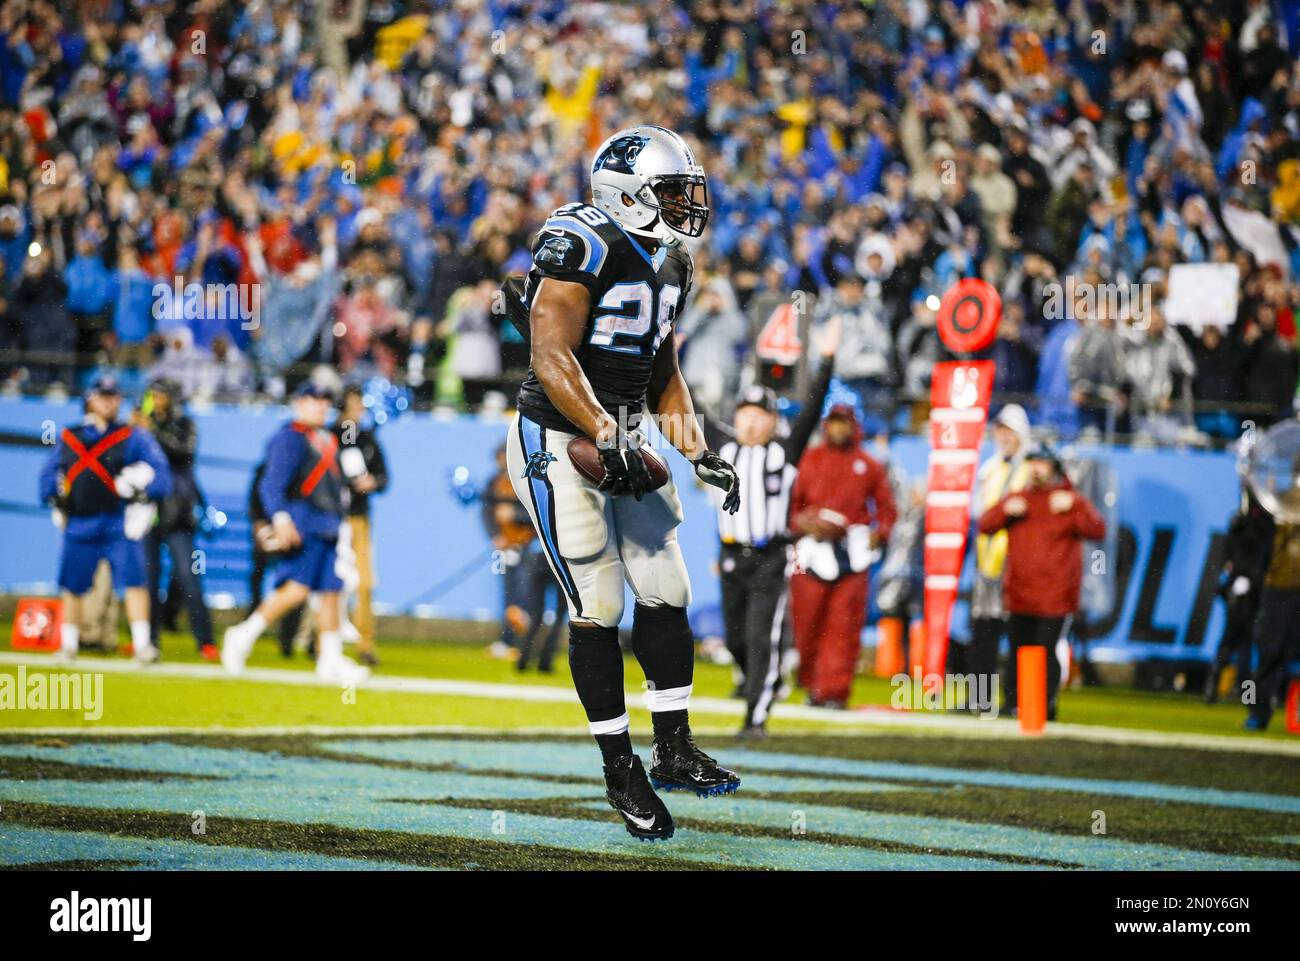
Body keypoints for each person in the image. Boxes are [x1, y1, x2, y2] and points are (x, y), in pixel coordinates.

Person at [503, 125, 742, 841]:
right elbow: (550, 353)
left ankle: (672, 747)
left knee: (669, 590)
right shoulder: (585, 240)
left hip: (623, 430)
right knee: (600, 600)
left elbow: (660, 367)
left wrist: (697, 447)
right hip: (558, 437)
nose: (686, 205)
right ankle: (619, 766)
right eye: (673, 192)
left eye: (687, 191)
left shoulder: (671, 262)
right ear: (627, 193)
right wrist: (606, 432)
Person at [704, 319, 838, 738]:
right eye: (745, 413)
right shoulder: (721, 447)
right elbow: (686, 407)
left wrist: (827, 359)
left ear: (771, 421)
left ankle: (755, 717)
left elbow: (814, 407)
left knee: (762, 637)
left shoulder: (784, 451)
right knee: (735, 640)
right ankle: (761, 684)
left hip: (768, 556)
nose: (751, 422)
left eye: (759, 415)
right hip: (729, 554)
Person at [220, 382, 369, 684]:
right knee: (296, 590)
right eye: (315, 400)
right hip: (305, 523)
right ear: (300, 402)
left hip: (328, 524)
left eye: (325, 401)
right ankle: (242, 636)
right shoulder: (288, 438)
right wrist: (281, 518)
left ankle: (330, 659)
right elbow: (271, 484)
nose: (321, 406)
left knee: (331, 593)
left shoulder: (325, 437)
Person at [38, 376, 172, 663]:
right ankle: (69, 644)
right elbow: (48, 476)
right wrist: (54, 499)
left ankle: (142, 645)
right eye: (102, 396)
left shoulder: (133, 436)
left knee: (136, 580)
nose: (109, 401)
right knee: (73, 584)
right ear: (90, 399)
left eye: (113, 396)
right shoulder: (70, 436)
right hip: (80, 520)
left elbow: (161, 474)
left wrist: (142, 493)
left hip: (119, 521)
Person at [977, 444, 1106, 719]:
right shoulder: (1018, 500)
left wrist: (1076, 505)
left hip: (1055, 596)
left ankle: (1044, 705)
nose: (1036, 469)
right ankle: (1013, 704)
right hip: (1020, 592)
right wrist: (1005, 511)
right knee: (1017, 653)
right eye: (1032, 463)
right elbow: (985, 524)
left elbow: (1097, 529)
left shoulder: (1068, 500)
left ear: (1054, 468)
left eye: (1041, 464)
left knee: (1046, 652)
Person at [788, 403, 896, 709]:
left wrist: (879, 533)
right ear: (826, 426)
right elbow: (790, 508)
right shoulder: (808, 460)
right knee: (807, 623)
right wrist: (805, 523)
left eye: (844, 423)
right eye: (834, 423)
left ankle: (833, 691)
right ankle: (811, 682)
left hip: (852, 554)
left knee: (843, 627)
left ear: (854, 426)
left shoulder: (868, 464)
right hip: (811, 552)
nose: (839, 429)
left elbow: (887, 509)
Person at [139, 378, 216, 660]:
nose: (157, 401)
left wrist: (151, 431)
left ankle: (205, 640)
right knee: (148, 578)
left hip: (178, 513)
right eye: (153, 395)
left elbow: (181, 451)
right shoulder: (143, 427)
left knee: (188, 576)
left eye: (161, 396)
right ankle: (148, 641)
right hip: (148, 511)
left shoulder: (185, 425)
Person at [482, 445, 567, 672]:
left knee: (533, 605)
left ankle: (527, 655)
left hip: (535, 552)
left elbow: (535, 514)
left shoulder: (528, 482)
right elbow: (488, 509)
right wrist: (496, 535)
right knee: (523, 601)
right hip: (539, 553)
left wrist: (515, 517)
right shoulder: (501, 482)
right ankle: (520, 649)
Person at [968, 404, 1032, 696]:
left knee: (1020, 634)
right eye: (1000, 429)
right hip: (988, 564)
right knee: (983, 631)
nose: (1003, 436)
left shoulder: (1031, 469)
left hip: (1019, 565)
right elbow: (978, 514)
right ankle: (979, 698)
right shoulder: (989, 468)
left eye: (1009, 430)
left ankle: (1016, 699)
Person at [334, 385, 389, 666]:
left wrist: (373, 483)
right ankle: (317, 637)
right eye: (353, 404)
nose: (359, 410)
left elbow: (384, 477)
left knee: (365, 582)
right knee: (325, 581)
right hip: (330, 517)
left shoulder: (367, 438)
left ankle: (364, 642)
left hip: (357, 517)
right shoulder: (330, 436)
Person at [1206, 487, 1271, 702]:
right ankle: (1240, 692)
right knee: (1243, 643)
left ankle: (1222, 687)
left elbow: (1230, 555)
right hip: (1248, 588)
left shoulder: (1244, 523)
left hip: (1243, 586)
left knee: (1235, 641)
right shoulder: (1259, 523)